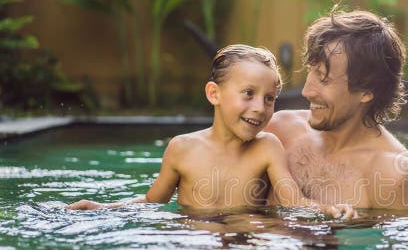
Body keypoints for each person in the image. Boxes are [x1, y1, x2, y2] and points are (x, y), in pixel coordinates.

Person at [67, 44, 356, 220]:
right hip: (193, 240)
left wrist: (326, 209)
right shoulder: (182, 148)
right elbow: (152, 202)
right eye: (248, 94)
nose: (260, 107)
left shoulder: (267, 147)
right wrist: (103, 207)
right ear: (214, 94)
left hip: (246, 243)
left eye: (269, 99)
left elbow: (293, 202)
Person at [264, 9, 408, 211]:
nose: (306, 91)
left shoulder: (392, 174)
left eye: (324, 79)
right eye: (310, 72)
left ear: (366, 91)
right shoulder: (280, 133)